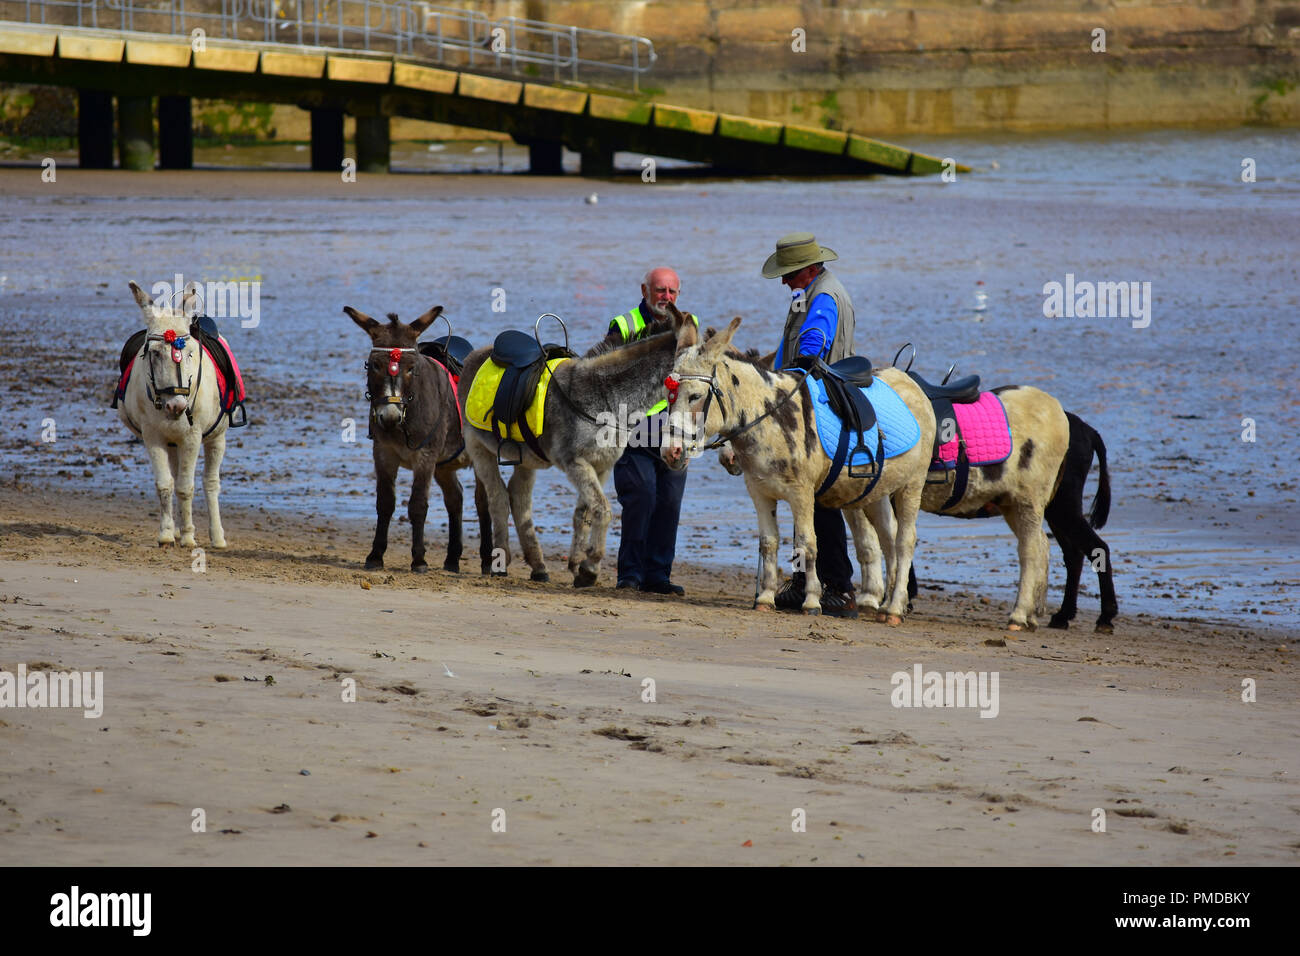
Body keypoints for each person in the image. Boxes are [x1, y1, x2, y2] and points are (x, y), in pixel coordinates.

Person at [762, 232, 858, 618]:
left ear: (809, 268)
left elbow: (814, 342)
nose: (784, 281)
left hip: (817, 399)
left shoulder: (823, 296)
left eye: (788, 274)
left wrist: (786, 383)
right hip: (808, 395)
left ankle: (839, 587)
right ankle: (804, 579)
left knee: (817, 500)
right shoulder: (810, 289)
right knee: (804, 504)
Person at [604, 267, 699, 595]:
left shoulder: (689, 325)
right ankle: (629, 575)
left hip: (676, 430)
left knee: (669, 503)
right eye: (660, 291)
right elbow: (608, 376)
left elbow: (695, 380)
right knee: (641, 497)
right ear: (644, 290)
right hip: (634, 430)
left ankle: (658, 576)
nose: (666, 298)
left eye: (672, 292)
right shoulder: (624, 325)